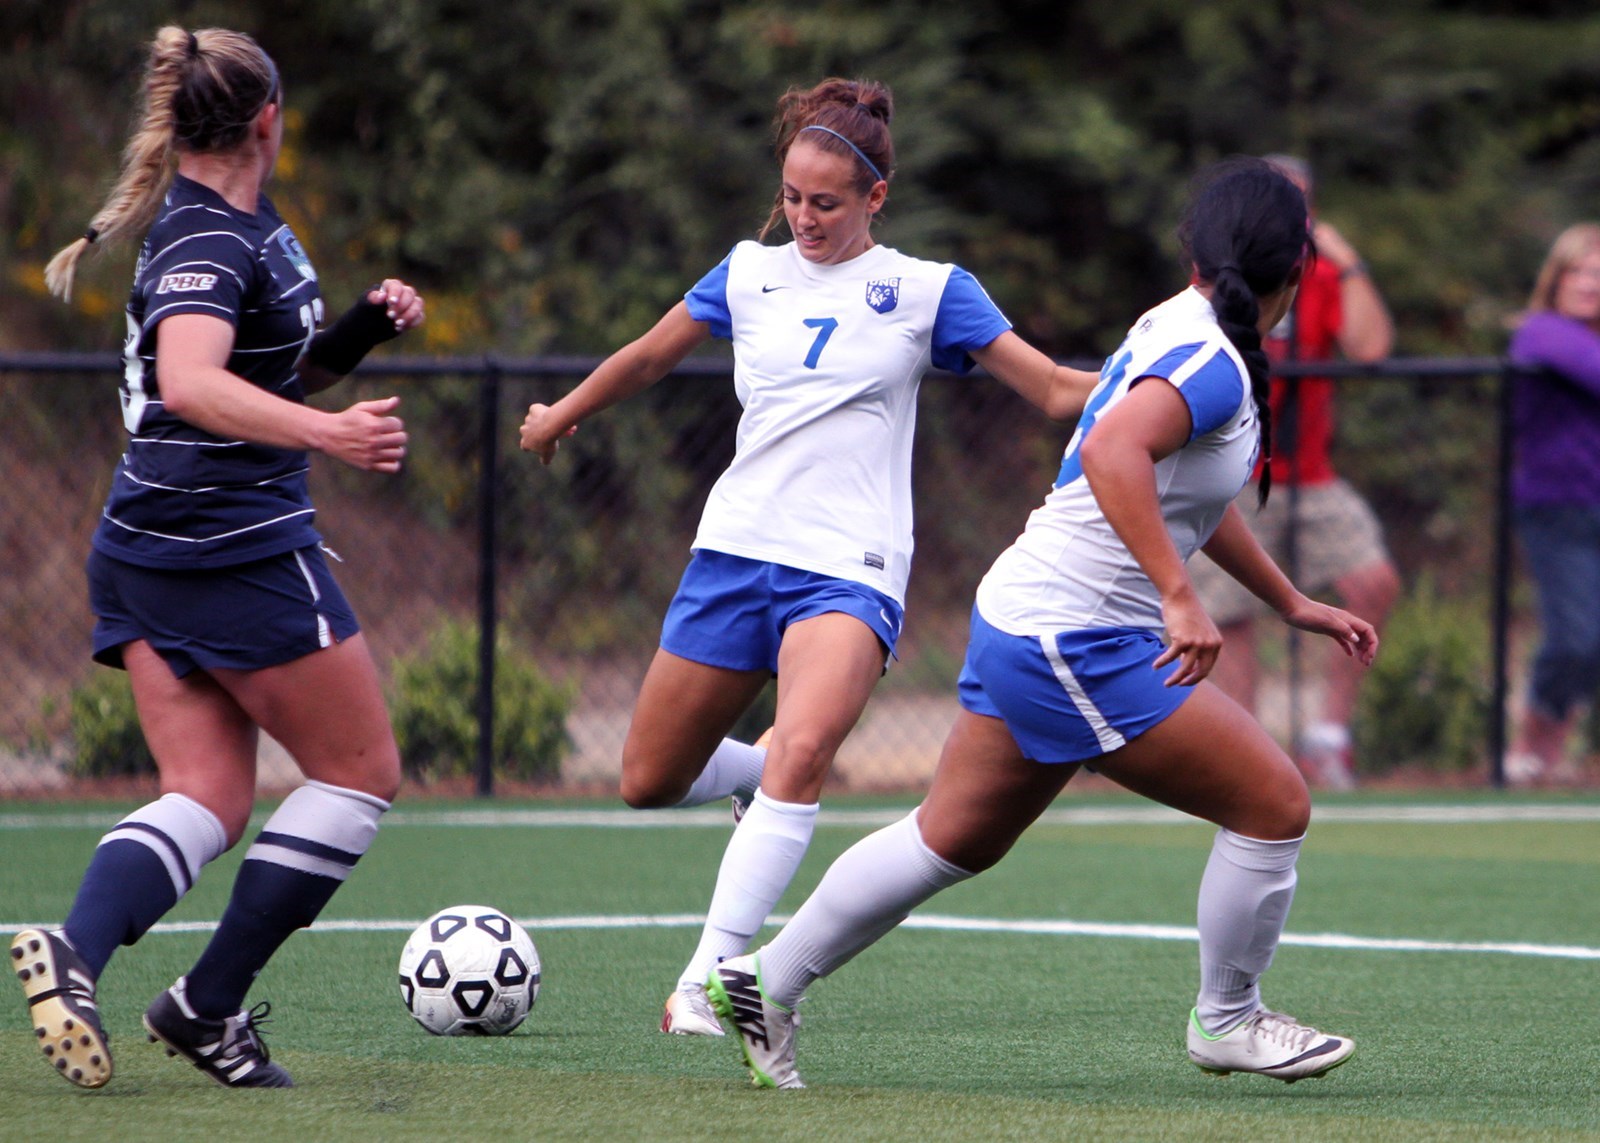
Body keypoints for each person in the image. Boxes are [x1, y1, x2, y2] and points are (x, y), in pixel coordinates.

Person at [704, 157, 1379, 1090]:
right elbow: (1111, 449)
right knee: (1274, 805)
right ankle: (1227, 1018)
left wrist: (1288, 601)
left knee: (950, 839)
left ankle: (763, 983)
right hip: (1074, 638)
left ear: (1196, 252)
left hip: (1030, 616)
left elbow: (1184, 488)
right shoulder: (1210, 360)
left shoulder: (1181, 325)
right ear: (1296, 271)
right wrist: (1178, 598)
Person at [518, 77, 1097, 1037]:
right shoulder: (749, 272)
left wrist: (1163, 375)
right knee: (648, 778)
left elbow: (1048, 389)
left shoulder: (927, 290)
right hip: (735, 551)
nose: (803, 217)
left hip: (849, 566)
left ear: (876, 197)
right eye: (792, 196)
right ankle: (746, 776)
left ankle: (709, 978)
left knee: (808, 746)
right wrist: (561, 414)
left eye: (825, 202)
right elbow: (650, 355)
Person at [12, 26, 423, 1090]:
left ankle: (76, 953)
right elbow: (193, 382)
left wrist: (361, 335)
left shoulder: (242, 223)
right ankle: (206, 1006)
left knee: (206, 792)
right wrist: (336, 438)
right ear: (266, 119)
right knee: (361, 772)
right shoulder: (206, 235)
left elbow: (265, 380)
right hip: (227, 542)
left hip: (150, 543)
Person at [1188, 154, 1398, 789]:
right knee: (1229, 615)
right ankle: (1245, 747)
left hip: (1310, 475)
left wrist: (1347, 259)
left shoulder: (1323, 275)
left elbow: (1370, 348)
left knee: (1372, 582)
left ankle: (1329, 736)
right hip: (1234, 476)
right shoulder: (1218, 274)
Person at [1504, 223, 1600, 785]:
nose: (1591, 285)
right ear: (1558, 277)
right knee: (1575, 636)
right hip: (1560, 508)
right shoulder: (1541, 333)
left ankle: (1549, 757)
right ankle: (1527, 748)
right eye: (1581, 272)